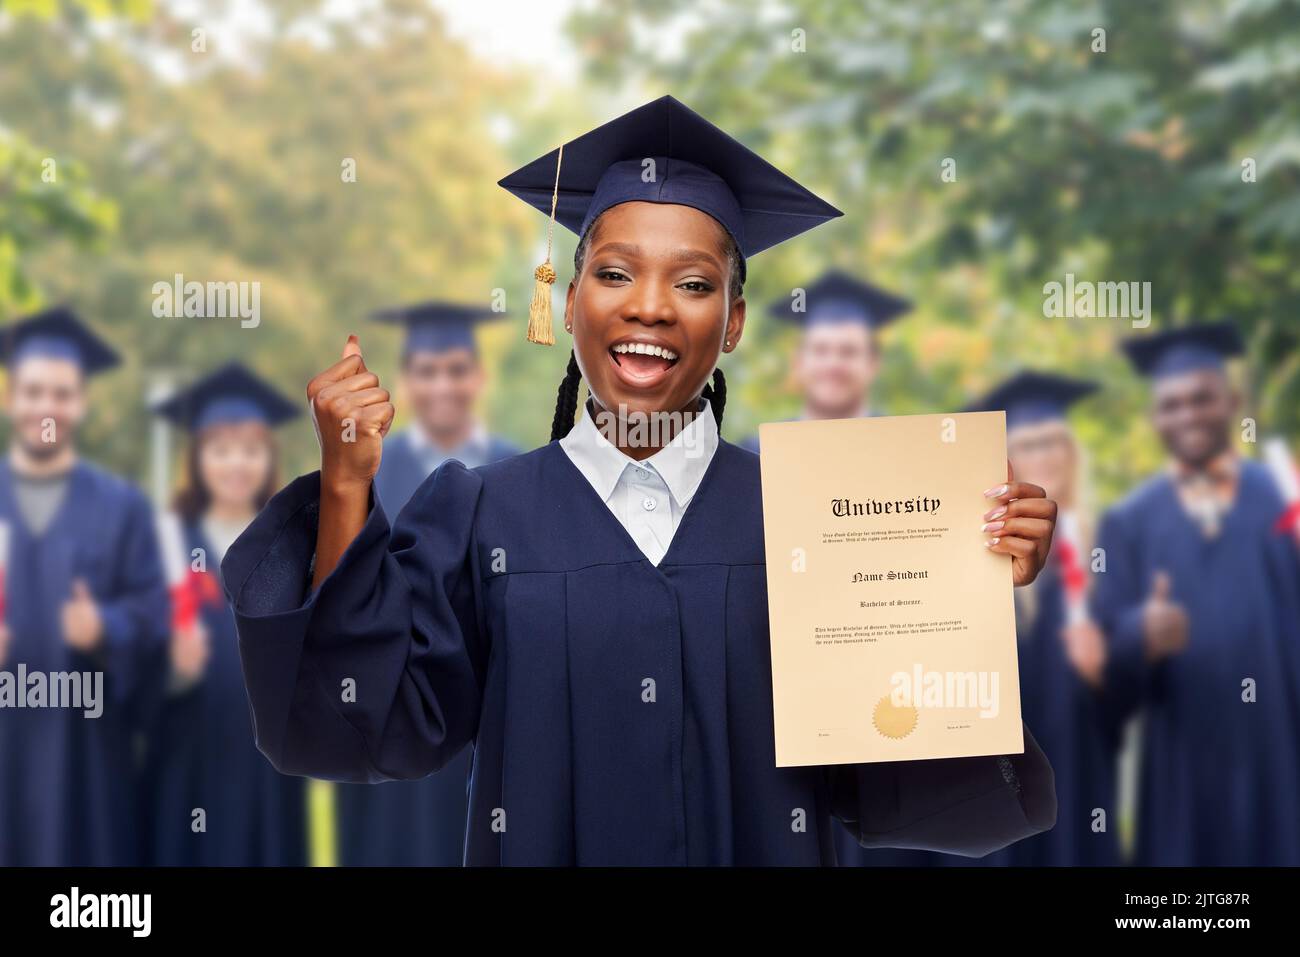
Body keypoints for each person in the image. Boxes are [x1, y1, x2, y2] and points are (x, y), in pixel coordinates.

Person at [221, 95, 1058, 865]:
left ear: (731, 322)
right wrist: (343, 485)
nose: (650, 306)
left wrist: (969, 591)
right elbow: (360, 728)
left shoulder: (809, 519)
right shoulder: (481, 514)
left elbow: (891, 777)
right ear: (570, 293)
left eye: (693, 284)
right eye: (616, 273)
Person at [1093, 322, 1300, 865]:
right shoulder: (1128, 523)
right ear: (1155, 416)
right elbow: (1105, 687)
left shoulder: (1285, 501)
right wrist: (1140, 635)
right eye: (1172, 404)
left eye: (1202, 399)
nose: (1188, 415)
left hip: (1283, 756)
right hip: (1183, 768)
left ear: (1232, 402)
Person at [336, 301, 518, 866]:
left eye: (458, 369)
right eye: (428, 371)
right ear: (407, 379)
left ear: (480, 376)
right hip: (391, 713)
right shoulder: (366, 474)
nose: (443, 385)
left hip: (491, 719)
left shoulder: (514, 475)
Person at [0, 305, 169, 865]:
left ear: (82, 403)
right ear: (10, 397)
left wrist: (106, 627)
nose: (47, 407)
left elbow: (155, 621)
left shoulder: (122, 507)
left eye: (62, 393)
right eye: (33, 391)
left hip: (89, 768)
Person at [141, 362, 307, 866]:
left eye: (251, 449)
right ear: (198, 458)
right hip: (188, 756)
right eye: (220, 449)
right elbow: (131, 662)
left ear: (268, 457)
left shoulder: (294, 546)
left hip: (269, 768)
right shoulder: (164, 545)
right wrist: (171, 668)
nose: (237, 463)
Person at [961, 371, 1121, 866]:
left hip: (1083, 745)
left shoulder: (1110, 538)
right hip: (1005, 752)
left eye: (1054, 441)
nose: (1046, 455)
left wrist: (1110, 666)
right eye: (1028, 444)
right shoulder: (982, 544)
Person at [741, 269, 909, 453]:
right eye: (820, 350)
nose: (833, 364)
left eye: (848, 351)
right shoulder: (761, 453)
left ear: (873, 363)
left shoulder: (905, 450)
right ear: (798, 361)